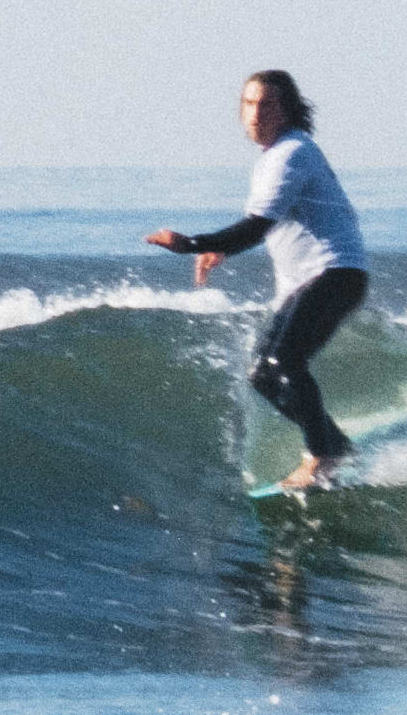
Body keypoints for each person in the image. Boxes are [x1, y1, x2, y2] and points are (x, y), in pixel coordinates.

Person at [147, 68, 370, 492]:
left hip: (333, 273)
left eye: (266, 105)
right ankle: (335, 446)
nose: (255, 114)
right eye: (249, 104)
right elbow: (264, 224)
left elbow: (256, 227)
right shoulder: (277, 157)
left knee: (282, 363)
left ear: (286, 110)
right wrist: (223, 249)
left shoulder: (292, 153)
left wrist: (191, 243)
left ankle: (323, 453)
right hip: (321, 279)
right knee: (263, 374)